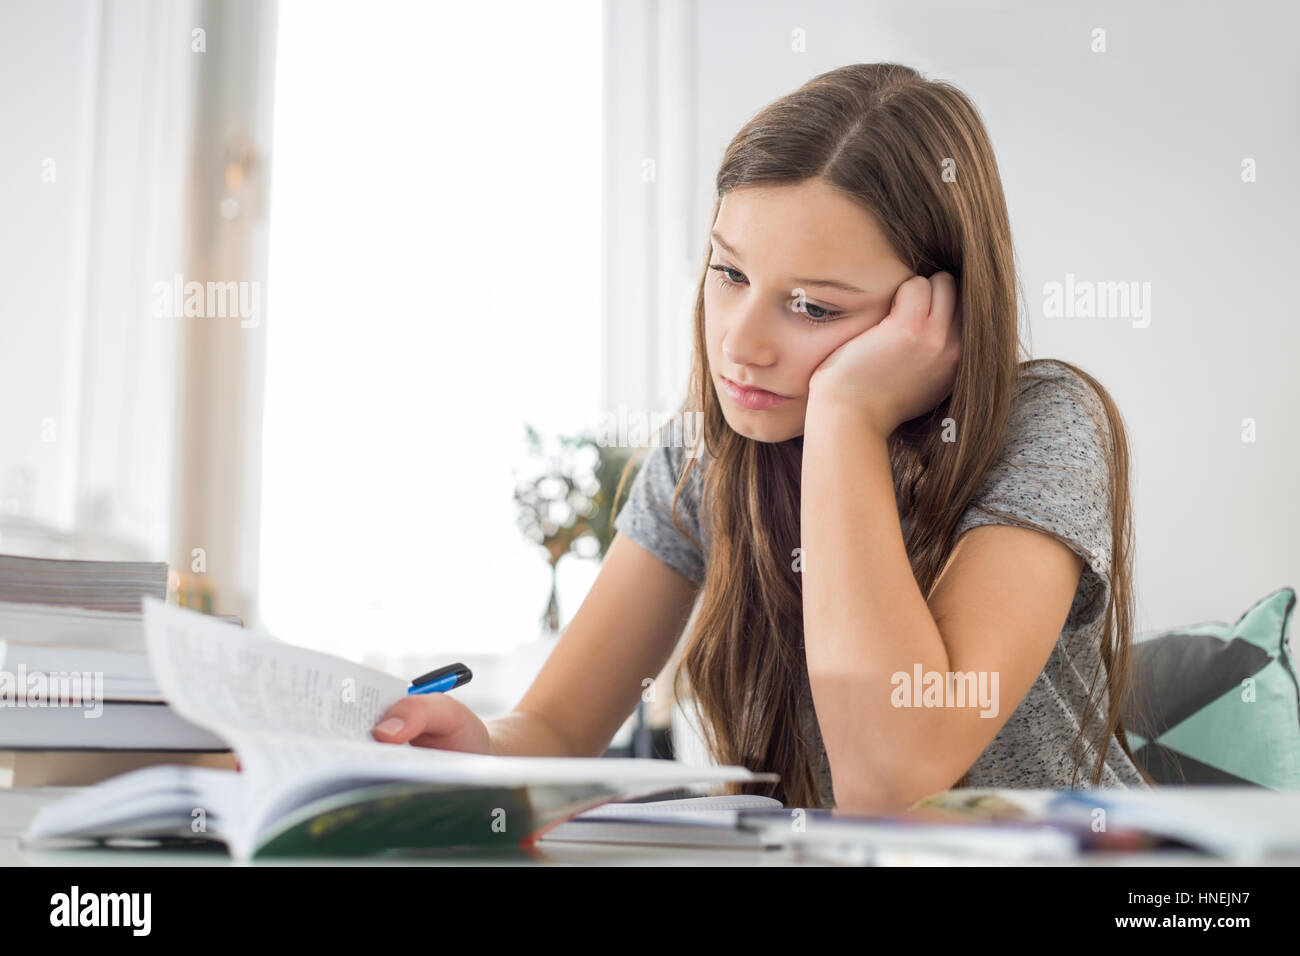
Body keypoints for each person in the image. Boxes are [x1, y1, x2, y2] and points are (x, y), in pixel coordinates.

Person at [371, 62, 1153, 813]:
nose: (742, 346)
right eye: (730, 273)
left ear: (936, 311)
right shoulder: (700, 462)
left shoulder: (1043, 426)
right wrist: (477, 746)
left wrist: (846, 413)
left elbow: (892, 778)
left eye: (813, 307)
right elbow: (554, 728)